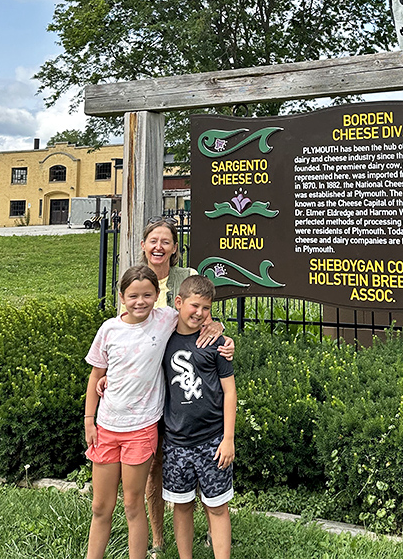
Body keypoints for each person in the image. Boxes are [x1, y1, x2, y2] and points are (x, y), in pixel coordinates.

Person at [83, 264, 225, 559]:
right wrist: (89, 420)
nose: (140, 301)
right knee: (100, 506)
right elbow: (97, 375)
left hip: (141, 428)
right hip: (107, 427)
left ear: (158, 296)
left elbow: (196, 312)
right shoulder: (109, 330)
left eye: (148, 295)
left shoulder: (164, 320)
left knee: (133, 504)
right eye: (133, 295)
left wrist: (218, 326)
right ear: (121, 297)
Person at [139, 216, 235, 556]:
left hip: (193, 402)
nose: (159, 247)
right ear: (143, 245)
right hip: (154, 388)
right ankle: (158, 539)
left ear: (175, 247)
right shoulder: (137, 279)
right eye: (154, 241)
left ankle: (211, 535)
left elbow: (203, 309)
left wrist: (219, 329)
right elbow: (125, 326)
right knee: (156, 470)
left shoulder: (186, 279)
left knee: (206, 488)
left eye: (166, 241)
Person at [161, 275, 236, 559]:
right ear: (179, 303)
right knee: (182, 506)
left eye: (206, 308)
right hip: (176, 441)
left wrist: (228, 438)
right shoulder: (163, 340)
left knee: (217, 507)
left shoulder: (215, 343)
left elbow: (230, 392)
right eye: (194, 306)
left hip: (213, 440)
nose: (199, 313)